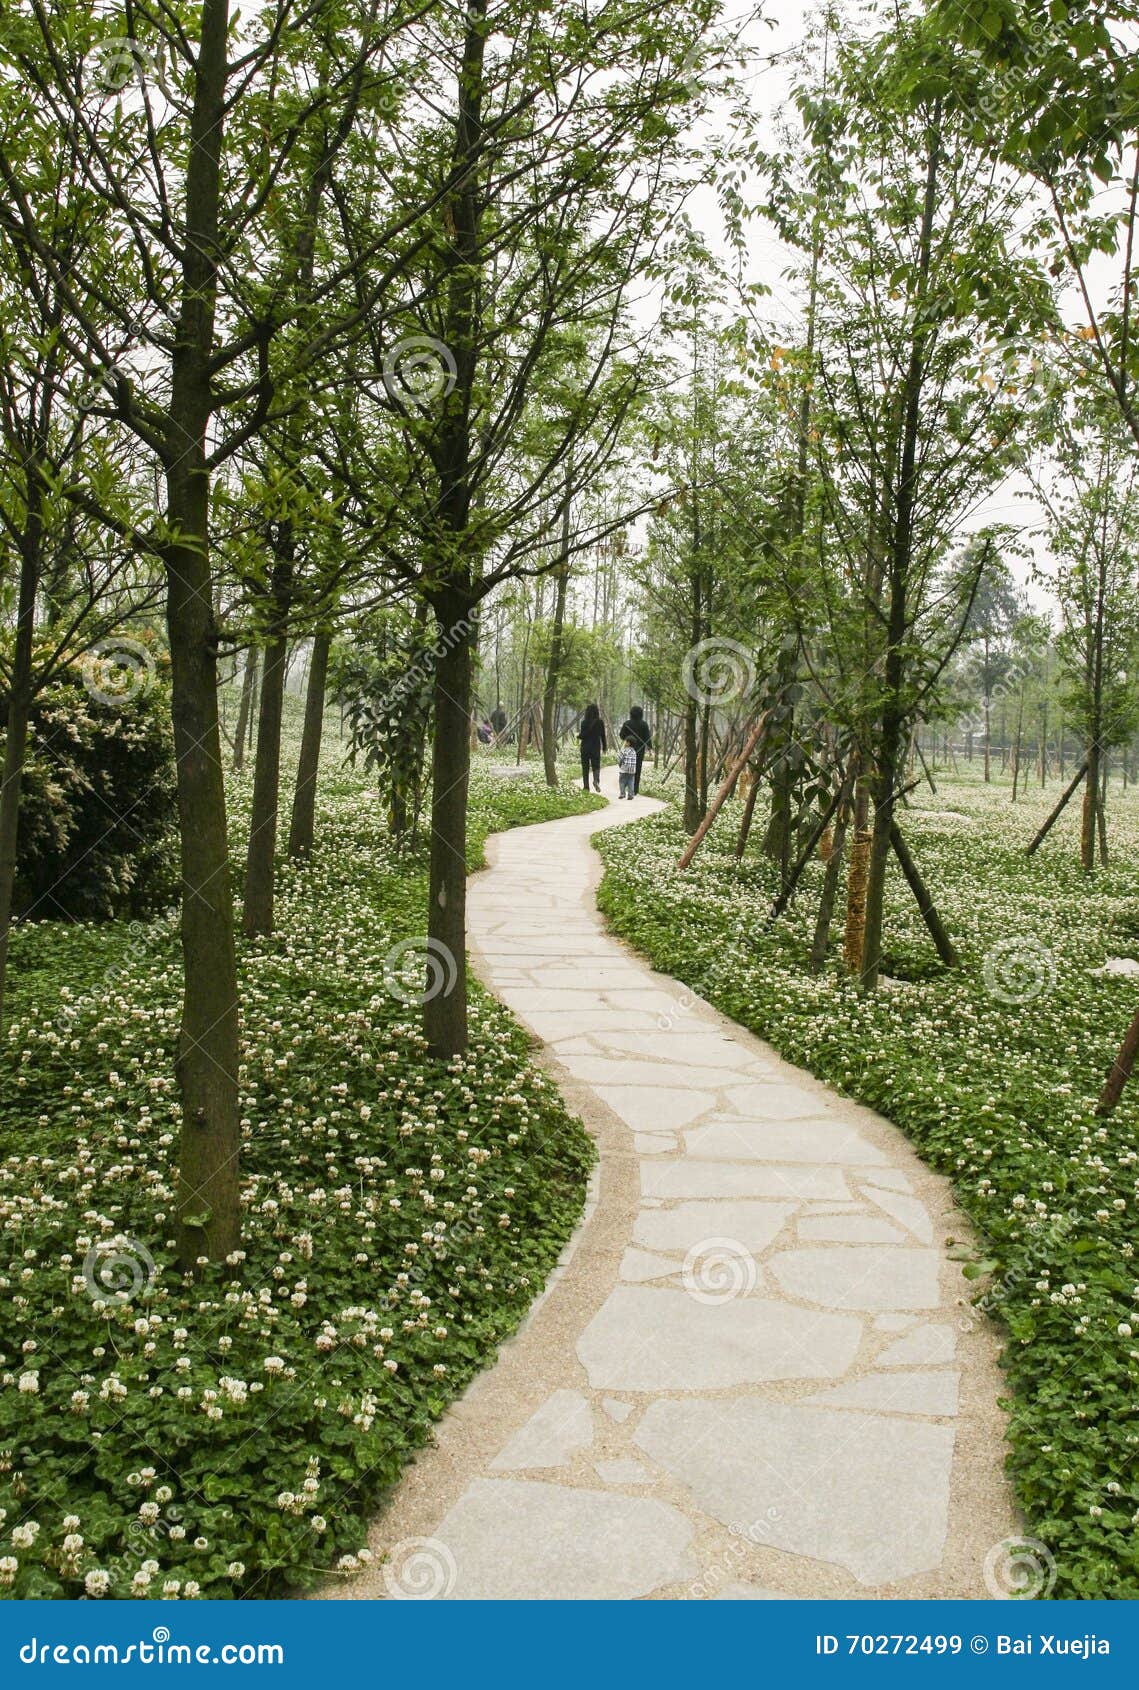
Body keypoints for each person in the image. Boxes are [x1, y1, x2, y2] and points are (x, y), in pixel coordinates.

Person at [619, 703, 652, 794]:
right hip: (640, 750)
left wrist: (628, 739)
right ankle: (635, 789)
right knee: (637, 769)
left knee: (626, 768)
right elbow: (647, 737)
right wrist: (649, 748)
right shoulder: (644, 724)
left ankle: (625, 787)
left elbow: (621, 735)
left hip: (628, 749)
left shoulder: (627, 723)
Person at [577, 701, 605, 792]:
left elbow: (582, 735)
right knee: (596, 766)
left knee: (585, 767)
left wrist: (579, 736)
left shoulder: (584, 722)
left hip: (585, 747)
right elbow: (603, 735)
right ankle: (596, 780)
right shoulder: (600, 722)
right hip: (595, 747)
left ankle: (586, 787)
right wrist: (604, 746)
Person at [618, 734, 638, 799]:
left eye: (626, 741)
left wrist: (620, 764)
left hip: (624, 769)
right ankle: (630, 795)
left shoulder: (624, 750)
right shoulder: (634, 752)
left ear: (628, 743)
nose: (625, 743)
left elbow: (620, 758)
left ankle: (622, 794)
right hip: (632, 770)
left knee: (622, 781)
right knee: (631, 782)